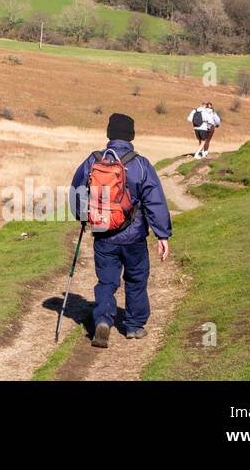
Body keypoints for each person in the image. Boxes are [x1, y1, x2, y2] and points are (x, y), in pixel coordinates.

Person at [70, 113, 172, 348]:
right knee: (136, 278)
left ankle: (103, 320)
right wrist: (162, 234)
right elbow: (155, 201)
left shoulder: (92, 161)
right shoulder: (140, 164)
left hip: (103, 234)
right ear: (131, 136)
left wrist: (83, 217)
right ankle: (134, 326)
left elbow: (76, 191)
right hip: (134, 237)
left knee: (106, 281)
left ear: (109, 134)